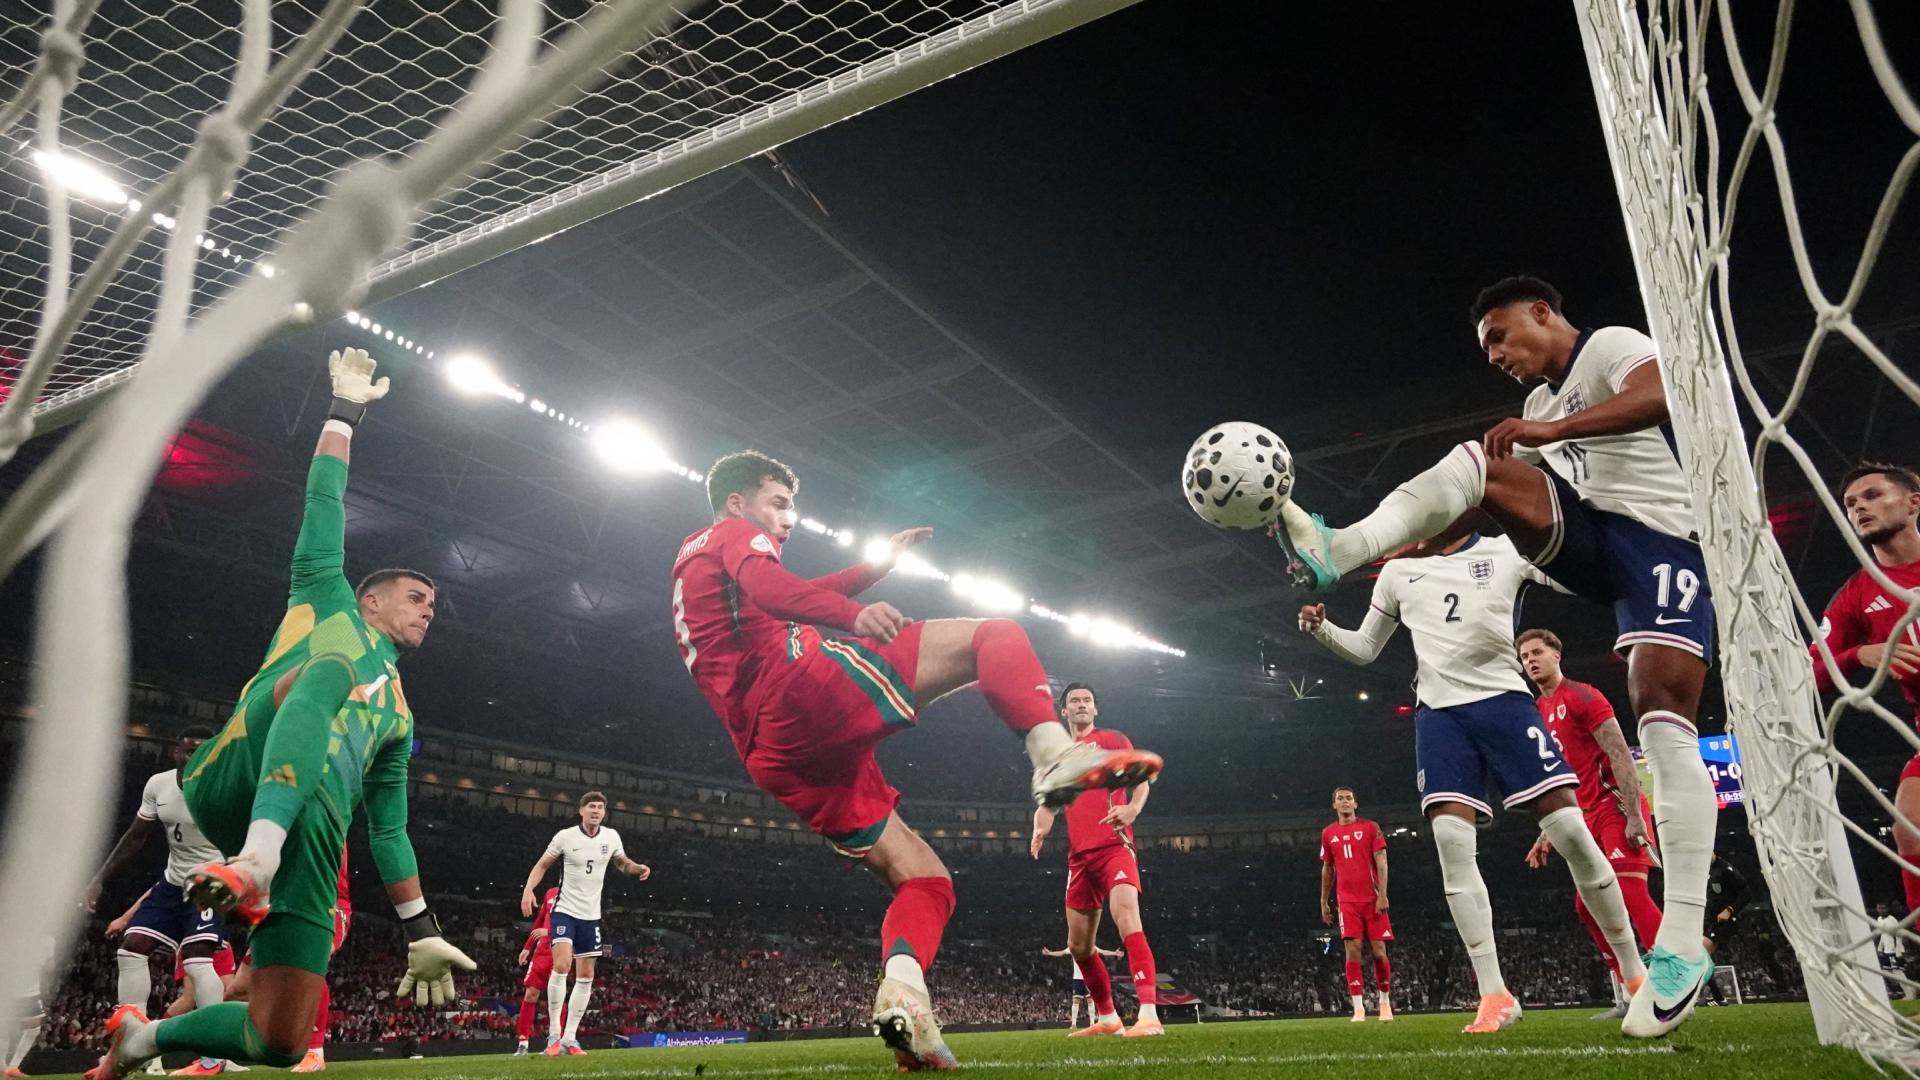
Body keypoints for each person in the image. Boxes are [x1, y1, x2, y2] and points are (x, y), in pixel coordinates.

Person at [1277, 276, 1722, 1036]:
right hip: (1591, 545)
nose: (1496, 356)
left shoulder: (1608, 349)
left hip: (1661, 544)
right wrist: (1534, 441)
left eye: (1501, 337)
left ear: (1542, 313)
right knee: (1479, 463)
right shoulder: (1541, 411)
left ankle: (1679, 941)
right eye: (1487, 347)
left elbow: (1665, 397)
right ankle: (1342, 546)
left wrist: (1546, 438)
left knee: (1660, 715)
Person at [671, 451, 1161, 1070]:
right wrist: (855, 615)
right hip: (801, 691)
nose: (789, 519)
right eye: (779, 502)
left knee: (926, 880)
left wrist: (875, 568)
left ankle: (904, 996)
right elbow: (774, 589)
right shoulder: (733, 532)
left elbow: (783, 595)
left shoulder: (694, 563)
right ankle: (1053, 756)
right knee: (997, 636)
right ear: (738, 501)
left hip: (774, 754)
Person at [85, 350, 474, 1079]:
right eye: (417, 597)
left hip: (311, 846)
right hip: (236, 780)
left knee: (281, 1039)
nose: (430, 610)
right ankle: (256, 858)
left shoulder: (399, 715)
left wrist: (420, 927)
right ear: (373, 599)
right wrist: (344, 412)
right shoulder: (325, 597)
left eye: (435, 605)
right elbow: (324, 500)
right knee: (329, 670)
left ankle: (139, 1042)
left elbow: (388, 829)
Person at [1298, 528, 1647, 1034]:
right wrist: (1324, 629)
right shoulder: (1396, 572)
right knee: (1450, 843)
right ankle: (1494, 994)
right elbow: (1366, 648)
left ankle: (1636, 976)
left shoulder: (1505, 548)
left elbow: (1578, 572)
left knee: (1571, 831)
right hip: (1439, 716)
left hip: (1506, 702)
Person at [1516, 628, 1663, 1019]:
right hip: (1583, 818)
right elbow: (1562, 778)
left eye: (1536, 653)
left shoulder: (1584, 695)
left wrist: (1634, 815)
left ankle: (1673, 984)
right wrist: (1547, 831)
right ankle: (1631, 992)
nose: (1530, 661)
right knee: (1587, 907)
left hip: (1615, 808)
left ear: (1556, 655)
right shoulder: (1539, 711)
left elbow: (1620, 753)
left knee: (1630, 895)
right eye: (1524, 656)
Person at [1810, 463, 1920, 914]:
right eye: (1851, 504)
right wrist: (1859, 655)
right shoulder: (1858, 595)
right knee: (1908, 824)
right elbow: (1810, 671)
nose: (1859, 508)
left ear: (1914, 502)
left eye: (1873, 495)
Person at [81, 728, 229, 1063]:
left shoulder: (223, 788)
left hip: (211, 881)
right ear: (176, 752)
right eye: (186, 750)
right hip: (173, 882)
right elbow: (135, 838)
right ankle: (132, 1045)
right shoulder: (158, 784)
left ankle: (213, 1054)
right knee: (131, 948)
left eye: (199, 752)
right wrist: (99, 878)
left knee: (196, 960)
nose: (191, 758)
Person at [1030, 684, 1164, 1037]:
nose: (1081, 705)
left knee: (1127, 919)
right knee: (1078, 946)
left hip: (1114, 846)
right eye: (1074, 700)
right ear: (1064, 711)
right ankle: (1108, 1019)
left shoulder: (1113, 740)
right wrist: (1039, 830)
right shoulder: (1058, 755)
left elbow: (1144, 779)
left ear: (1096, 709)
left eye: (1087, 700)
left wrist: (1132, 808)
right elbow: (1047, 804)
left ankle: (1149, 1014)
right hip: (1079, 858)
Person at [519, 793, 650, 1056]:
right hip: (565, 911)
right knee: (562, 965)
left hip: (591, 915)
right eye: (591, 806)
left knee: (586, 976)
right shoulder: (565, 836)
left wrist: (637, 868)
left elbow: (622, 863)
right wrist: (528, 890)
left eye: (600, 807)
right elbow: (542, 864)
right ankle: (553, 1036)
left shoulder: (611, 837)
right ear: (581, 811)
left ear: (604, 813)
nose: (596, 811)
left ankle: (570, 1039)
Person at [1318, 787, 1392, 1023]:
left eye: (1349, 798)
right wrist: (1323, 900)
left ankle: (1384, 1002)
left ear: (1355, 804)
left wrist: (1382, 893)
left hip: (1372, 898)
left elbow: (1382, 861)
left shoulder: (1370, 827)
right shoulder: (1328, 833)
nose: (1345, 802)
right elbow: (1327, 868)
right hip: (1346, 901)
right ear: (1334, 805)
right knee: (1353, 951)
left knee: (1379, 952)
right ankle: (1358, 1008)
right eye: (1340, 799)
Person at [512, 887, 564, 1055]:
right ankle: (523, 1043)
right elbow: (540, 920)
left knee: (556, 996)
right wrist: (527, 947)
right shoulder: (550, 893)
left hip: (560, 950)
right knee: (530, 994)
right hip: (541, 952)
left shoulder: (576, 892)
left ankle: (557, 1041)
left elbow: (577, 925)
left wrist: (549, 932)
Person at [1701, 854, 1749, 1005]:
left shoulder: (1726, 869)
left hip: (1724, 921)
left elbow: (1746, 893)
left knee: (1699, 954)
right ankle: (1718, 998)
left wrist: (1729, 910)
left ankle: (1716, 997)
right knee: (1699, 958)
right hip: (1709, 920)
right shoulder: (1704, 869)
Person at [5, 935, 54, 1079]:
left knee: (33, 1027)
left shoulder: (48, 939)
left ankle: (12, 1067)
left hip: (29, 991)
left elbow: (49, 968)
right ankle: (8, 1067)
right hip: (16, 989)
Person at [1037, 944, 1121, 1029]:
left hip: (1088, 978)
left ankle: (1092, 1023)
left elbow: (1103, 952)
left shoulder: (1090, 946)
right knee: (1076, 1000)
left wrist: (1114, 953)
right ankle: (1073, 1024)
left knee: (1090, 1000)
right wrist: (1049, 953)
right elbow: (1061, 953)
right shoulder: (1073, 948)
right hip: (1077, 978)